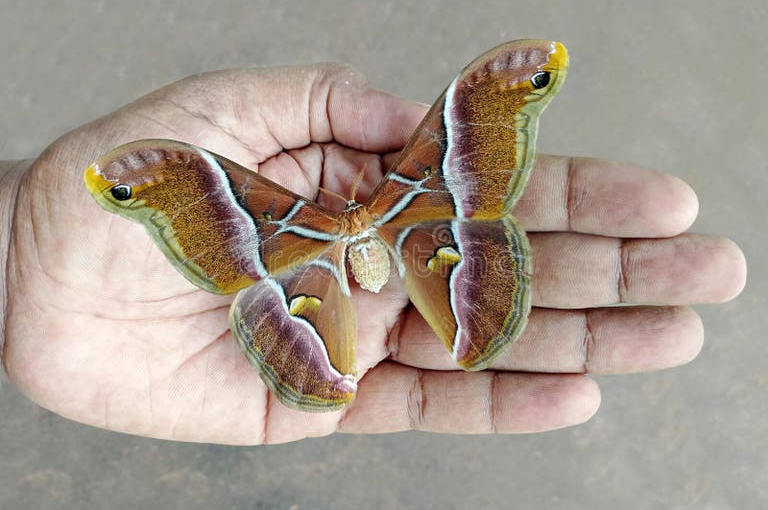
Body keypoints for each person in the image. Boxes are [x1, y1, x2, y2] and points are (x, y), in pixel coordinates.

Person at [0, 64, 746, 445]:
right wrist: (19, 242)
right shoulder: (378, 192)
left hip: (357, 257)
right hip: (372, 254)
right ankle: (329, 375)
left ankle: (467, 329)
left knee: (474, 278)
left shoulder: (310, 214)